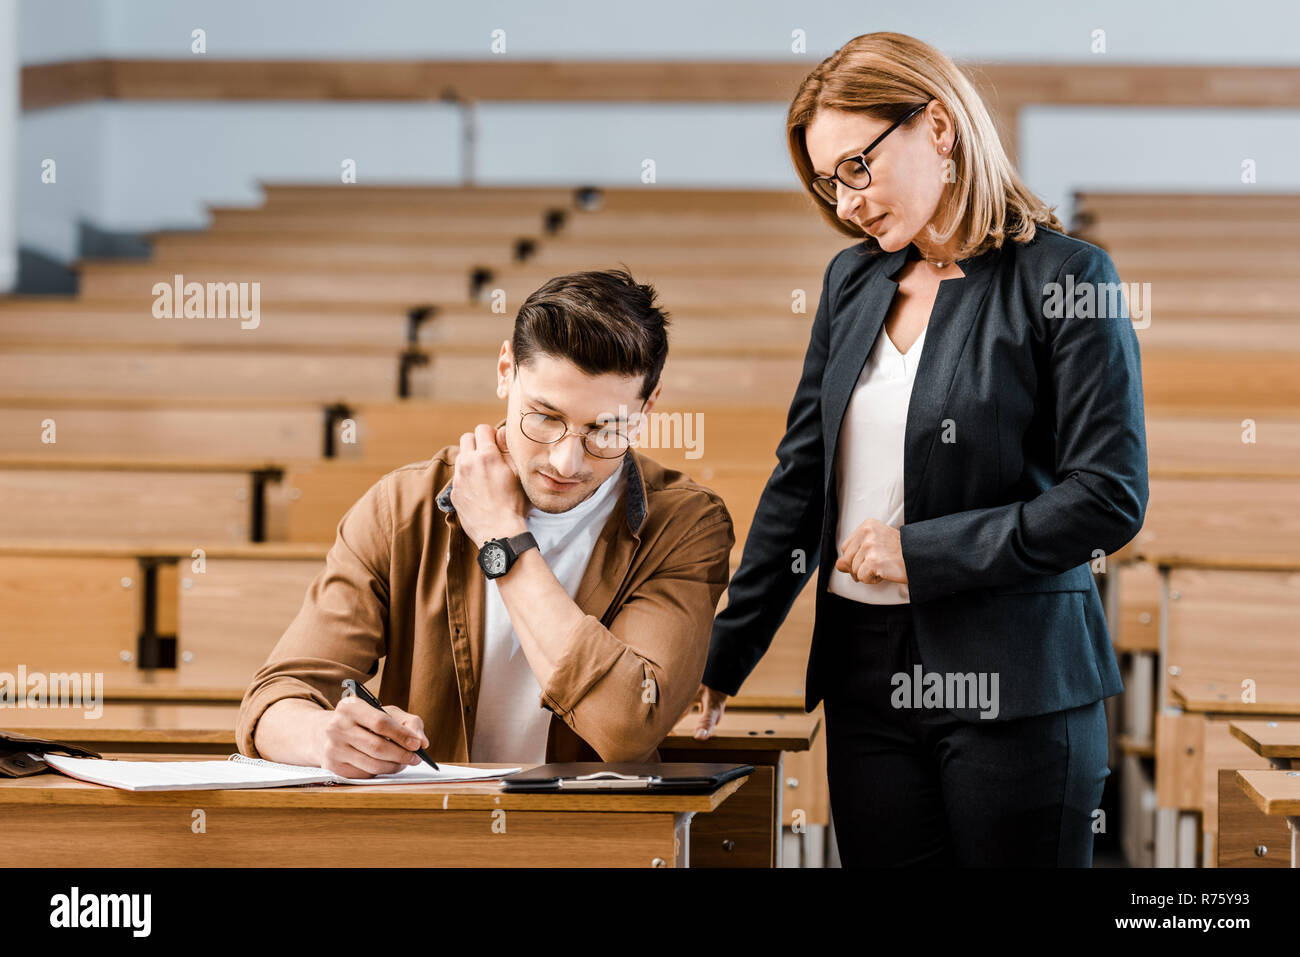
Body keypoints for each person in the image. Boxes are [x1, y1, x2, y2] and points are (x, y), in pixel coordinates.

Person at [691, 32, 1148, 867]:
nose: (846, 202)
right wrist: (721, 656)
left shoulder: (1069, 275)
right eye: (828, 184)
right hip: (866, 684)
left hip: (1018, 685)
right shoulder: (850, 281)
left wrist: (920, 552)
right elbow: (802, 482)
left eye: (856, 167)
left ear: (938, 126)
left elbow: (1108, 496)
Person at [237, 268, 734, 776]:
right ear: (505, 371)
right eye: (544, 417)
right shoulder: (401, 507)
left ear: (648, 406)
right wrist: (325, 738)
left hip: (594, 839)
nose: (567, 463)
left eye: (606, 429)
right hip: (430, 835)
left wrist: (503, 538)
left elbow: (626, 726)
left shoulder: (688, 525)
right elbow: (275, 699)